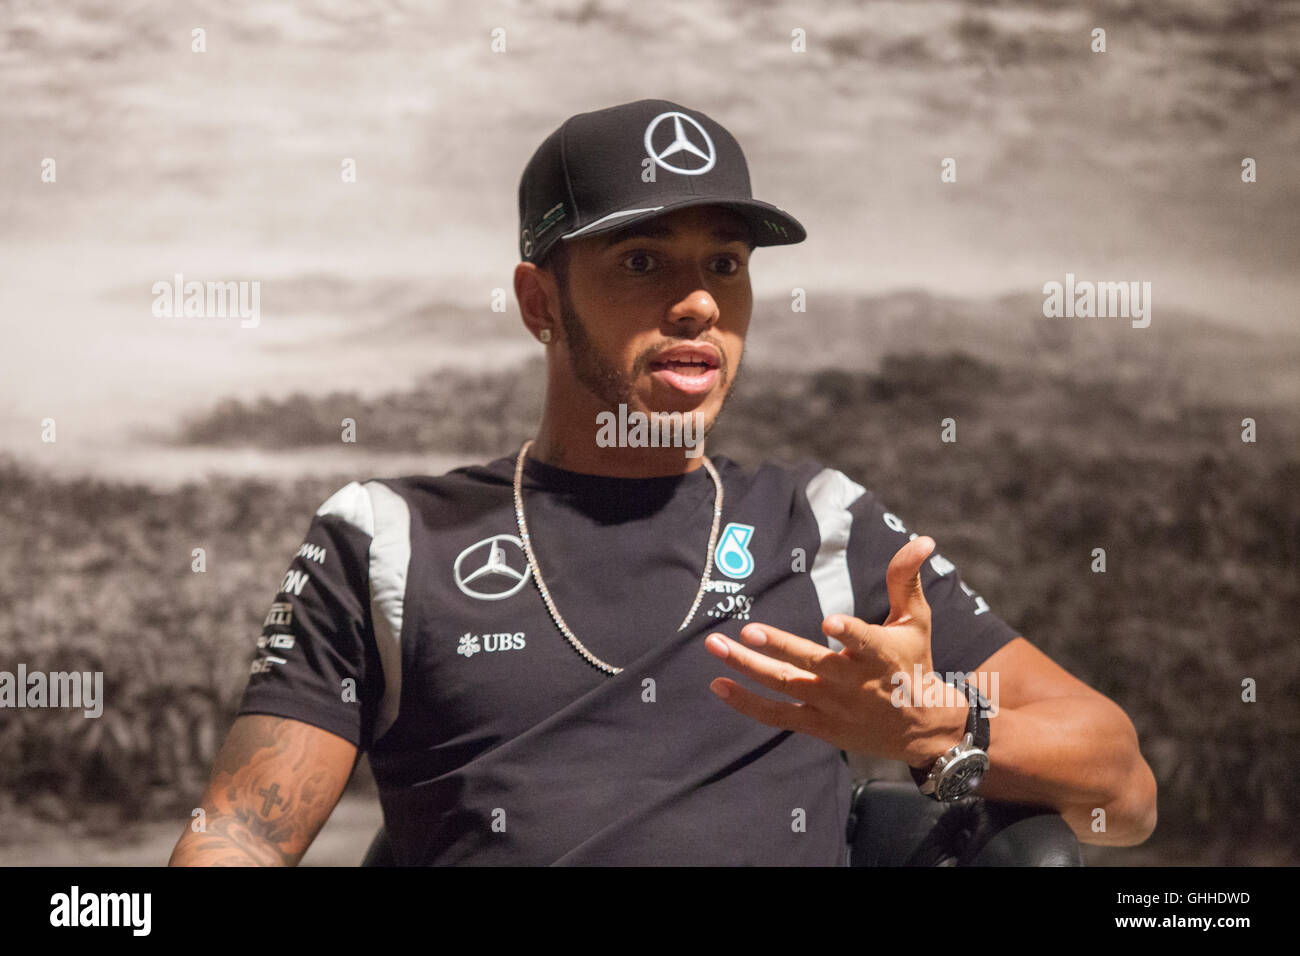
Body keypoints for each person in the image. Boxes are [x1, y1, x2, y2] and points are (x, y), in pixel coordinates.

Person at [168, 98, 1157, 866]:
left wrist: (931, 724)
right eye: (641, 260)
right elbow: (244, 832)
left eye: (724, 264)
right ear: (537, 300)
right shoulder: (387, 538)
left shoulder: (818, 522)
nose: (696, 302)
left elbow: (1122, 783)